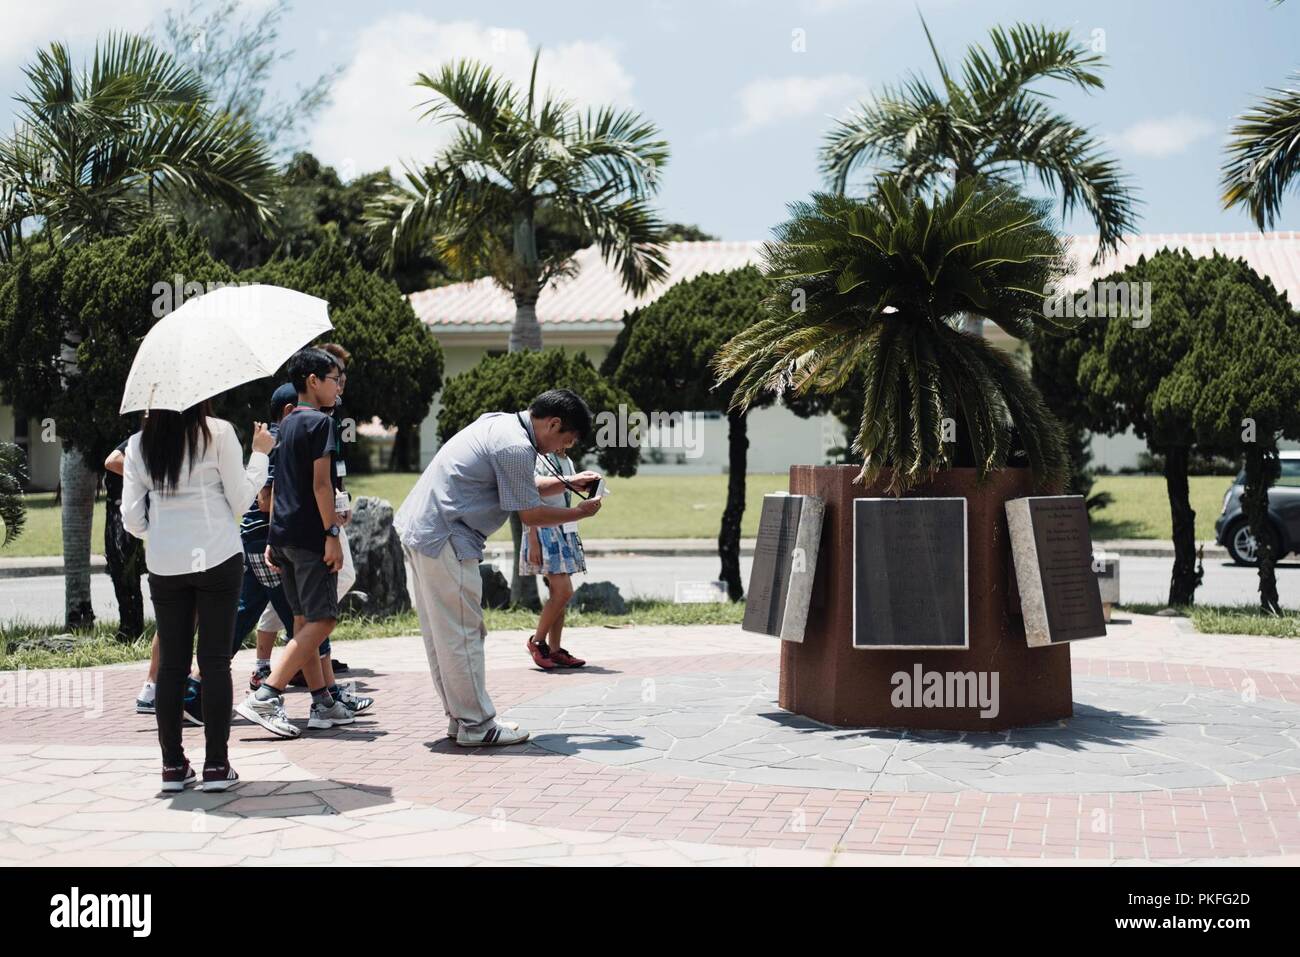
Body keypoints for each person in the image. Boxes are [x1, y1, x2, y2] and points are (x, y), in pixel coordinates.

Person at [394, 388, 603, 747]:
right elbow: (531, 513)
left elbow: (519, 481)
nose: (559, 450)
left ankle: (461, 720)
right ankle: (477, 726)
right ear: (552, 423)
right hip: (446, 537)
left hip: (423, 531)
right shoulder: (516, 446)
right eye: (563, 440)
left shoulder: (500, 424)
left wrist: (567, 482)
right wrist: (577, 511)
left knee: (443, 635)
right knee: (463, 633)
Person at [121, 398, 274, 793]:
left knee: (171, 665)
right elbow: (242, 501)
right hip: (217, 556)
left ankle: (172, 766)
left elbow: (132, 519)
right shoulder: (219, 432)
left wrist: (164, 533)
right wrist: (259, 456)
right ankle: (217, 767)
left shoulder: (138, 445)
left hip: (166, 563)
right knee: (215, 661)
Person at [235, 348, 354, 738]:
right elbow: (322, 486)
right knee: (323, 620)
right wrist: (332, 534)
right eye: (334, 379)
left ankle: (322, 702)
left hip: (283, 537)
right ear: (313, 381)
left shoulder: (285, 426)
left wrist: (273, 538)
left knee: (302, 619)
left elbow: (276, 487)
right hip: (309, 538)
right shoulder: (322, 424)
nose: (338, 386)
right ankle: (267, 694)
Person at [522, 448, 601, 669]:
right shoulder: (542, 459)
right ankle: (537, 642)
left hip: (563, 529)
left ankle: (555, 649)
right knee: (564, 591)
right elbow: (529, 496)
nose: (571, 440)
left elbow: (564, 494)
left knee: (559, 594)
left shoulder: (566, 460)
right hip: (543, 530)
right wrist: (533, 538)